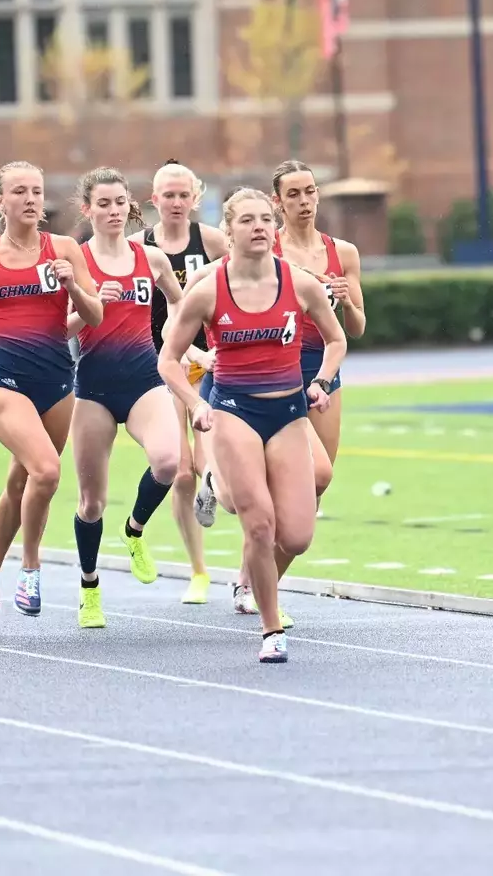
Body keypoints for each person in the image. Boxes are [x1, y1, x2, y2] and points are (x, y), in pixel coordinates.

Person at [158, 187, 346, 663]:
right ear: (230, 230)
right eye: (248, 220)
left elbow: (337, 339)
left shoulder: (299, 283)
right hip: (233, 411)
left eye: (266, 218)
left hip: (288, 416)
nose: (260, 226)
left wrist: (321, 382)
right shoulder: (207, 288)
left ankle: (215, 479)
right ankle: (270, 628)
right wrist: (194, 404)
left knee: (297, 535)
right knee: (259, 524)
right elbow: (168, 358)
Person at [0, 161, 107, 622]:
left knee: (20, 483)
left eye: (36, 191)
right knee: (47, 473)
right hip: (5, 385)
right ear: (0, 200)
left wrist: (73, 282)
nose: (30, 199)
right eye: (19, 192)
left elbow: (94, 316)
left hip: (56, 384)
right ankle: (30, 570)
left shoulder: (66, 248)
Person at [67, 167, 189, 628]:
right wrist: (89, 301)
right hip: (94, 388)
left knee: (168, 463)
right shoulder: (75, 260)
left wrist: (184, 346)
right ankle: (89, 587)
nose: (114, 211)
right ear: (88, 209)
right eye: (103, 204)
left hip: (143, 379)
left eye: (120, 202)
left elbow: (179, 304)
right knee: (90, 503)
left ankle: (135, 530)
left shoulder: (150, 257)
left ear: (130, 205)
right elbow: (60, 330)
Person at [143, 158, 228, 603]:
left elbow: (246, 285)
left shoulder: (211, 241)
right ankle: (198, 571)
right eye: (168, 196)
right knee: (180, 473)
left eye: (183, 195)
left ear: (195, 199)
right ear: (153, 200)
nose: (176, 203)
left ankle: (216, 486)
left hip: (211, 363)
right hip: (163, 364)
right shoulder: (139, 247)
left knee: (206, 461)